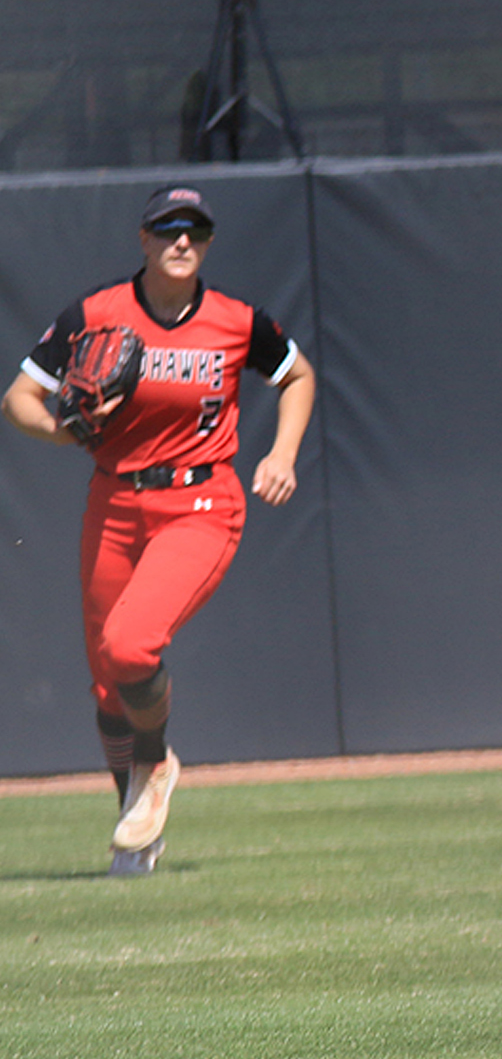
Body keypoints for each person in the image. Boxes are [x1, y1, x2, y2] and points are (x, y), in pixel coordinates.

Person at [2, 185, 317, 878]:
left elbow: (297, 376)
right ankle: (137, 833)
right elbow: (18, 399)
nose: (183, 242)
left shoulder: (237, 320)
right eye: (168, 229)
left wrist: (283, 454)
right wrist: (62, 428)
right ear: (143, 240)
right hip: (113, 503)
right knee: (109, 685)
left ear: (206, 245)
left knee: (131, 643)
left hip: (200, 503)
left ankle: (155, 764)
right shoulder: (96, 313)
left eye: (196, 232)